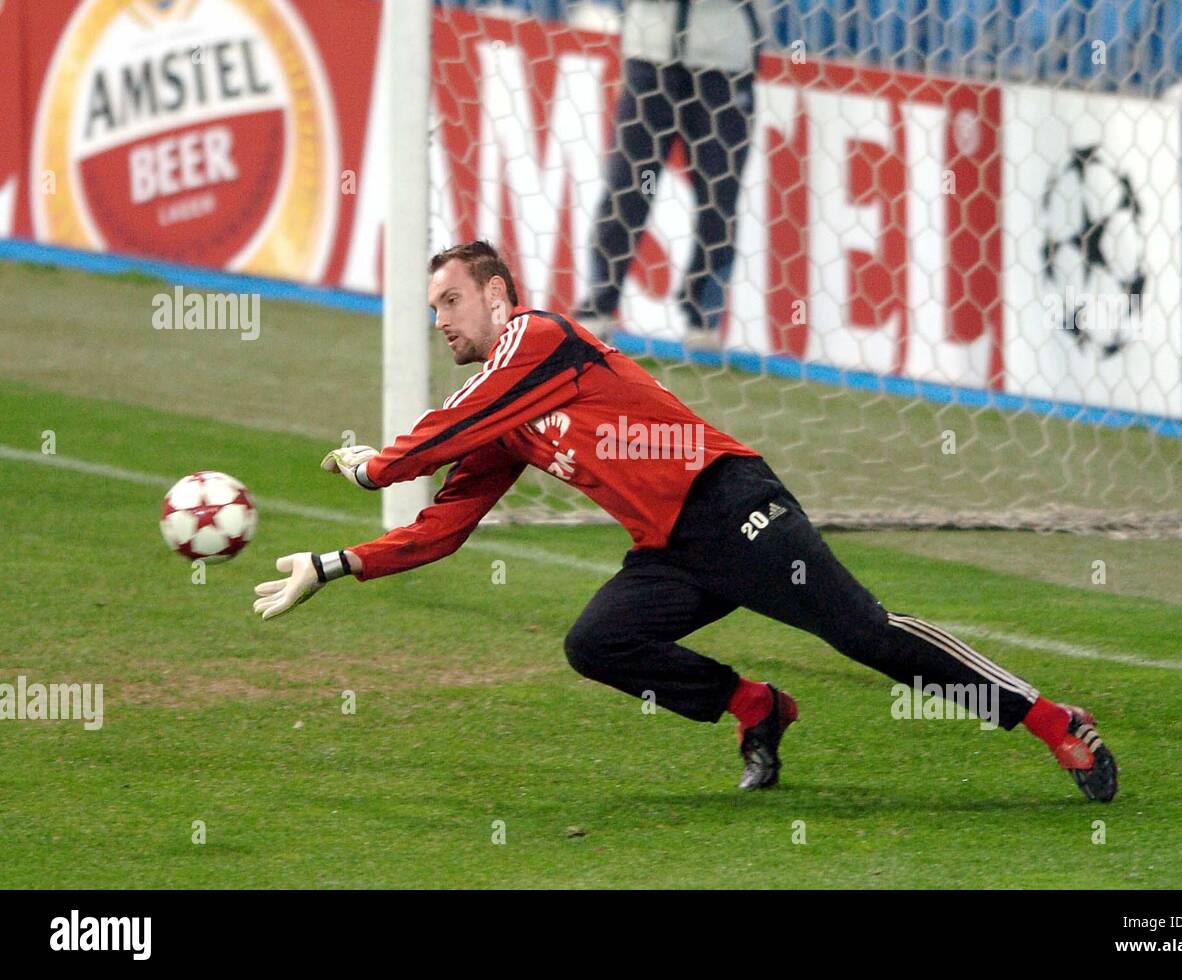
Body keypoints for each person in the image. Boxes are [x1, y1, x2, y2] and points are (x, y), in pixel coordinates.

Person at [253, 241, 1118, 800]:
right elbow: (442, 525)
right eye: (433, 307)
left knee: (866, 635)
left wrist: (379, 463)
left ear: (497, 292)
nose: (438, 320)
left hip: (735, 506)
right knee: (597, 644)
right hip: (671, 549)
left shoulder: (538, 338)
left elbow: (439, 432)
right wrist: (334, 564)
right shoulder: (501, 415)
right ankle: (755, 706)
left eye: (448, 301)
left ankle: (1053, 722)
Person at [572, 0, 766, 349]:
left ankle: (704, 318)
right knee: (629, 185)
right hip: (650, 58)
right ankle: (598, 307)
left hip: (724, 60)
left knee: (718, 193)